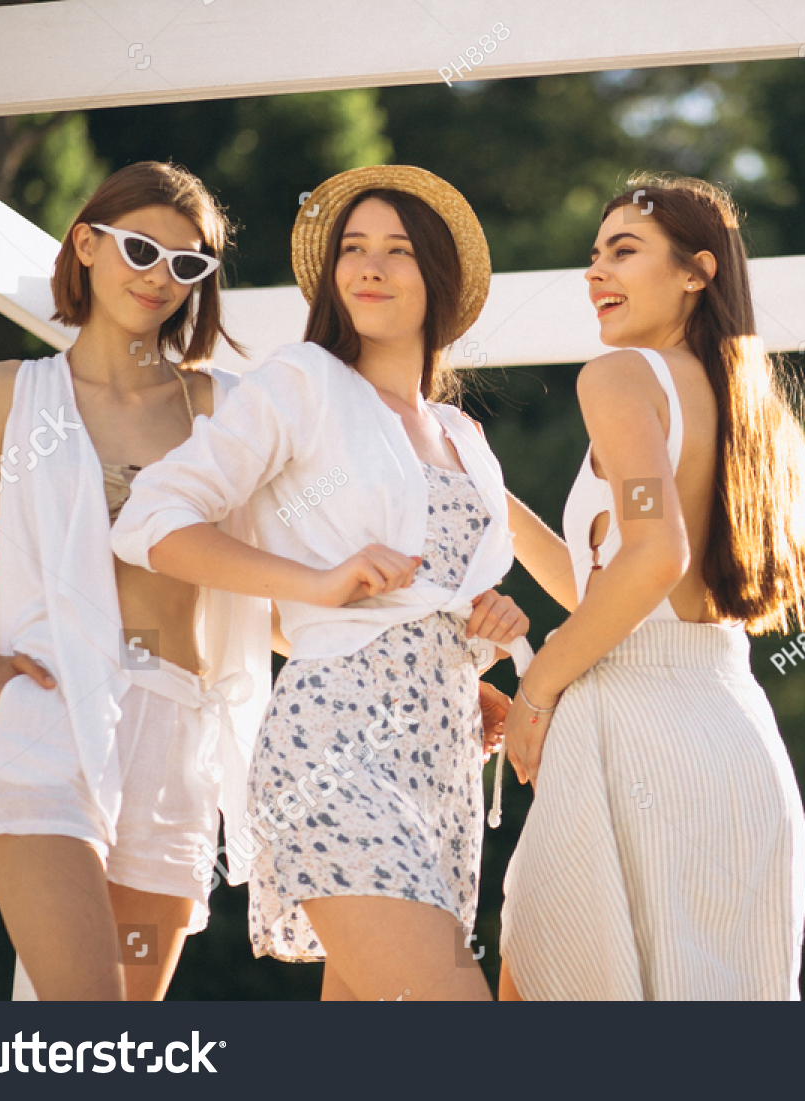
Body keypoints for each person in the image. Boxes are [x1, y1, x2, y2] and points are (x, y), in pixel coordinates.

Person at [111, 165, 528, 1002]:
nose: (369, 267)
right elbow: (151, 519)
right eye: (353, 248)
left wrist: (484, 631)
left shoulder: (460, 434)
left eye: (398, 250)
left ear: (439, 276)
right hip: (334, 748)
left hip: (442, 764)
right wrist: (316, 582)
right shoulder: (304, 382)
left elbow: (429, 593)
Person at [0, 162, 271, 1000]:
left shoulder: (225, 409)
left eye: (188, 265)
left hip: (177, 734)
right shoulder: (9, 392)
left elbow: (279, 587)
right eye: (140, 249)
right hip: (47, 713)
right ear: (85, 243)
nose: (162, 276)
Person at [497, 175, 805, 1000]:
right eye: (592, 254)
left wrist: (537, 689)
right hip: (735, 741)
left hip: (630, 728)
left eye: (624, 250)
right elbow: (614, 590)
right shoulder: (753, 408)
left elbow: (651, 555)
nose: (595, 272)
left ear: (697, 271)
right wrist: (492, 502)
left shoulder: (618, 377)